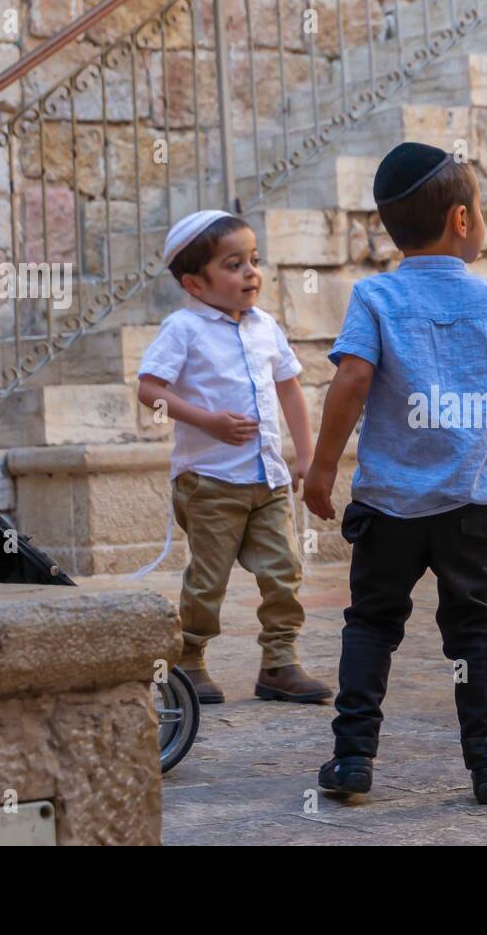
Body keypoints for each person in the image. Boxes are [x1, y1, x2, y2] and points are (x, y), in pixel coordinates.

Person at [303, 142, 487, 804]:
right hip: (471, 503)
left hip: (389, 504)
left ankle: (352, 759)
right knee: (474, 631)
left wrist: (320, 469)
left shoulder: (374, 296)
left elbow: (352, 378)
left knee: (371, 626)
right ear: (463, 219)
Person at [136, 210, 330, 706]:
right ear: (195, 283)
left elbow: (289, 388)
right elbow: (150, 392)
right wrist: (207, 421)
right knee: (208, 579)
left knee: (284, 570)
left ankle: (280, 662)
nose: (251, 273)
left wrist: (306, 455)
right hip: (210, 482)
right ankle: (191, 660)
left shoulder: (266, 327)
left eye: (254, 260)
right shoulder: (183, 329)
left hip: (268, 480)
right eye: (234, 264)